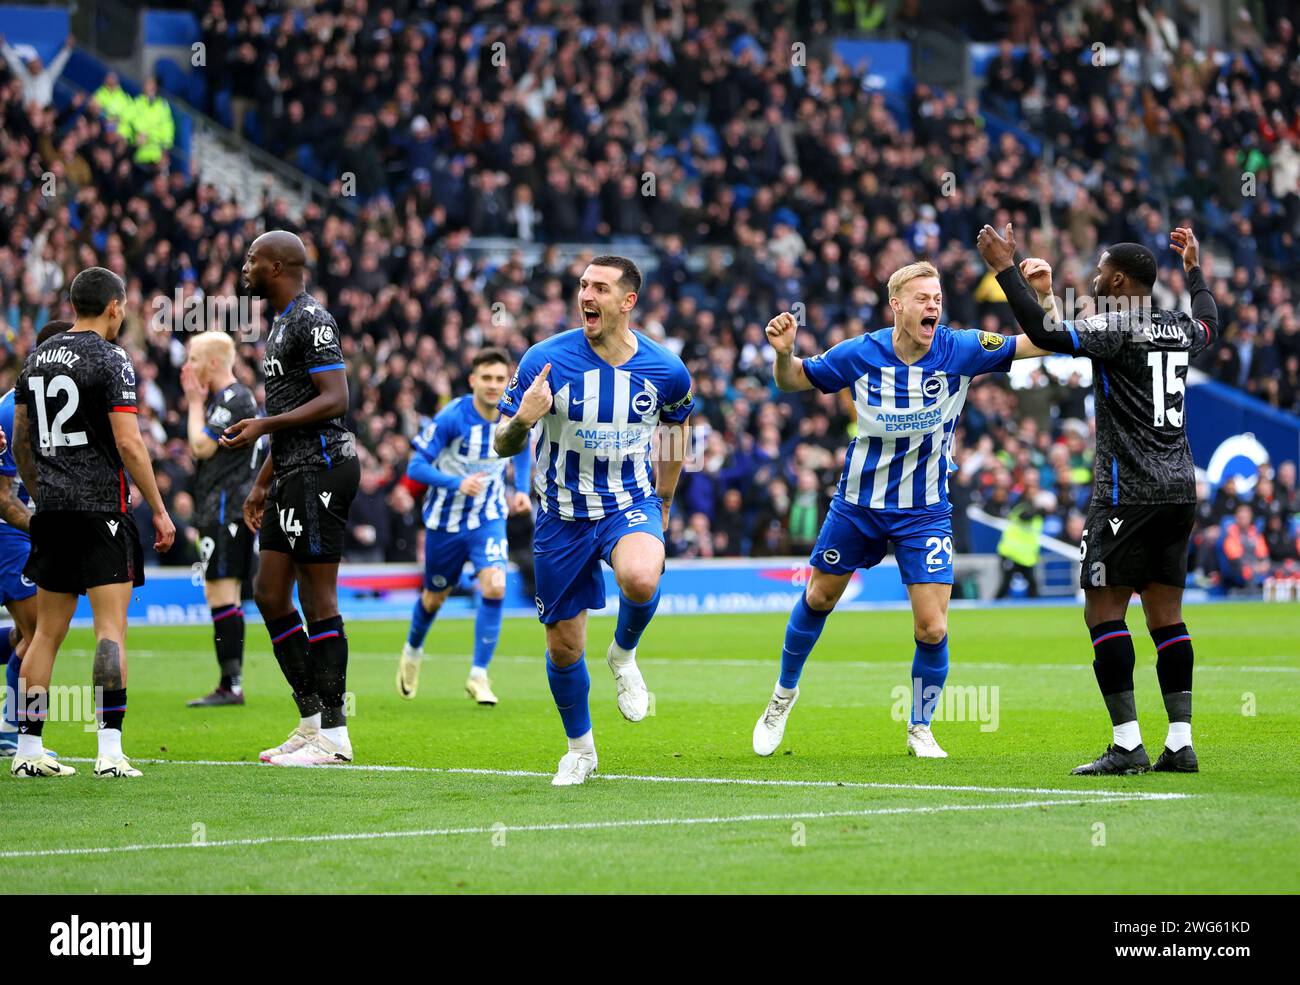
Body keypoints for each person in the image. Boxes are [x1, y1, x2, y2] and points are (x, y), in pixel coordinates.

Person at [752, 260, 1053, 760]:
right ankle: (783, 696)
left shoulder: (961, 348)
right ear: (896, 305)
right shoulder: (861, 353)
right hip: (858, 506)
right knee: (819, 598)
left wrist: (1041, 297)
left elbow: (1040, 343)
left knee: (932, 627)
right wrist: (783, 356)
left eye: (937, 297)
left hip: (926, 511)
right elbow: (792, 382)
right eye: (922, 298)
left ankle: (920, 726)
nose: (932, 305)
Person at [979, 223, 1217, 774]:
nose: (1094, 276)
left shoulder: (1115, 326)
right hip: (1180, 490)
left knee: (1103, 611)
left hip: (1124, 496)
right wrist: (1196, 270)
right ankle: (1179, 744)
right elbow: (1211, 321)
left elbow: (1050, 336)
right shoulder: (1178, 327)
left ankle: (1128, 744)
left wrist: (1004, 269)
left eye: (1101, 270)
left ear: (1119, 279)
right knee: (1167, 617)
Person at [494, 256, 693, 786]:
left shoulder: (666, 369)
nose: (587, 294)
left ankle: (624, 654)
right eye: (583, 285)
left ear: (627, 301)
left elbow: (676, 430)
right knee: (563, 648)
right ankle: (580, 749)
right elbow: (501, 442)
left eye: (599, 287)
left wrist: (666, 499)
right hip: (560, 516)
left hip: (629, 503)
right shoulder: (545, 360)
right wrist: (523, 419)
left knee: (642, 576)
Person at [9, 269, 176, 778]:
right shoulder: (112, 359)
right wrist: (161, 509)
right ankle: (109, 753)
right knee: (110, 630)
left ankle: (28, 750)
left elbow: (21, 444)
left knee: (45, 635)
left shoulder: (34, 360)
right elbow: (128, 442)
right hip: (103, 509)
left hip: (53, 512)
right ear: (114, 306)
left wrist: (44, 497)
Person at [221, 230, 359, 767]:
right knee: (270, 594)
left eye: (253, 258)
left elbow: (335, 400)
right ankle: (309, 721)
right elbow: (295, 412)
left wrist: (263, 426)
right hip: (292, 472)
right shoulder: (279, 324)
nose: (245, 265)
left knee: (317, 598)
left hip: (324, 467)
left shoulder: (311, 320)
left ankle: (336, 734)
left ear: (277, 267)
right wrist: (262, 483)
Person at [398, 347, 532, 706]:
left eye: (500, 379)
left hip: (488, 518)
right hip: (445, 522)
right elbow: (415, 469)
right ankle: (412, 650)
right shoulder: (452, 418)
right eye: (486, 378)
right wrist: (456, 483)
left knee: (495, 587)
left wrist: (520, 490)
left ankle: (479, 675)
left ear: (508, 381)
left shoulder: (513, 413)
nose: (493, 385)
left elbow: (521, 446)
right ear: (473, 380)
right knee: (434, 596)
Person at [0, 321, 70, 757]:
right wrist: (47, 529)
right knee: (40, 633)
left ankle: (14, 732)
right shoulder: (11, 410)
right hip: (10, 532)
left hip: (29, 531)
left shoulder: (60, 405)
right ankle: (16, 734)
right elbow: (3, 498)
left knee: (35, 634)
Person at [181, 331, 261, 707]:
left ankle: (231, 685)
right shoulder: (229, 399)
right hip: (220, 509)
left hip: (227, 510)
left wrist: (194, 402)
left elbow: (200, 446)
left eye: (194, 359)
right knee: (221, 592)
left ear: (213, 362)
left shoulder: (233, 398)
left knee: (223, 592)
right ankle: (230, 682)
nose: (188, 367)